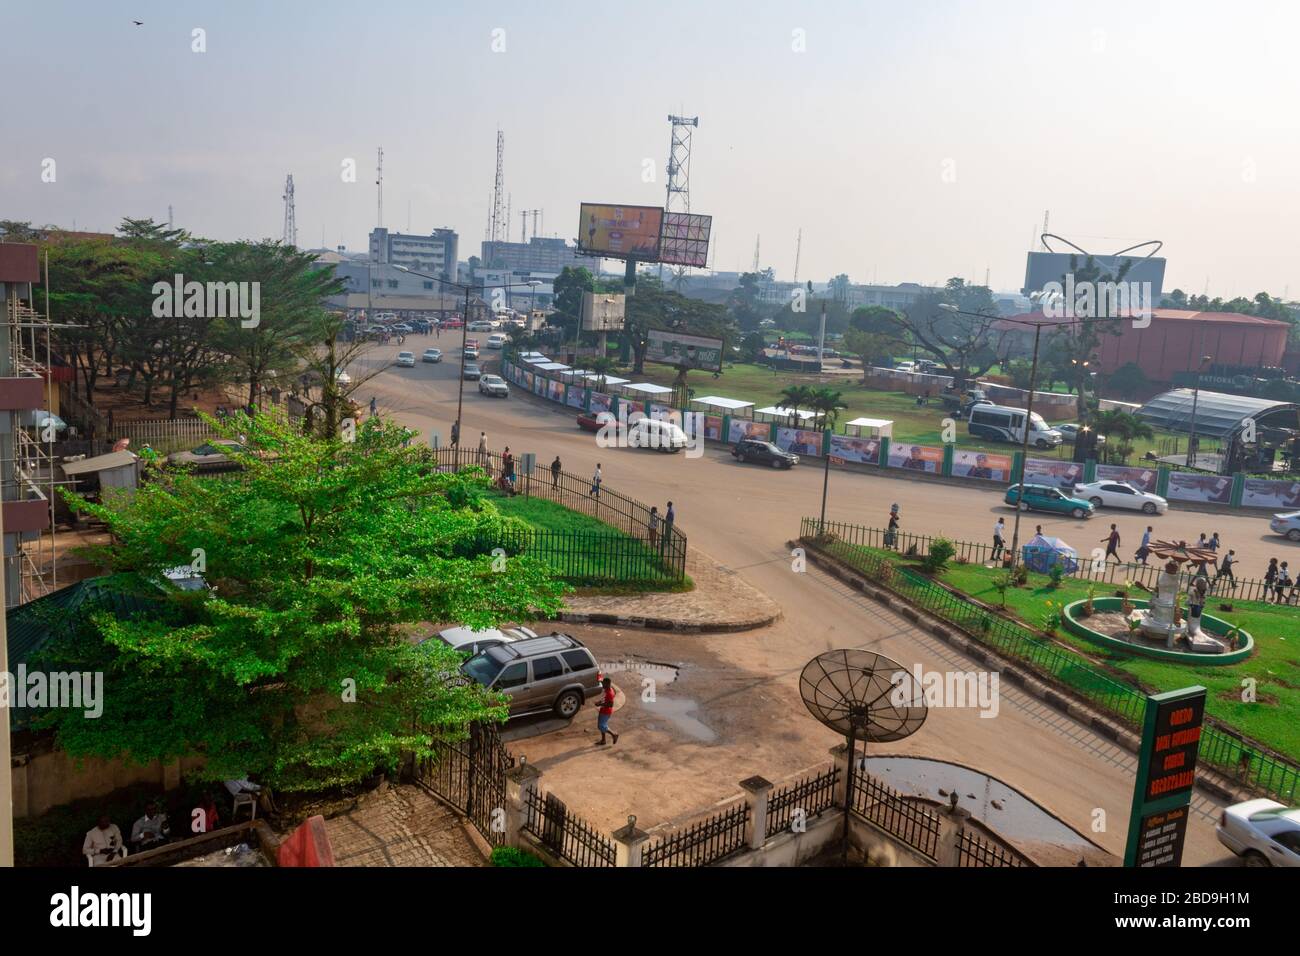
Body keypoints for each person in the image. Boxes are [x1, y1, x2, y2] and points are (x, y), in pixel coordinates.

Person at [595, 676, 619, 746]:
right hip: (603, 710)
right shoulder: (607, 690)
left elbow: (611, 704)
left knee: (601, 726)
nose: (602, 685)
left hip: (605, 712)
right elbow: (604, 699)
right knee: (603, 725)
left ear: (607, 684)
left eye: (604, 684)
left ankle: (614, 734)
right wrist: (599, 702)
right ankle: (603, 740)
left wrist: (600, 704)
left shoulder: (609, 693)